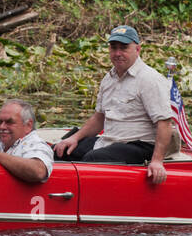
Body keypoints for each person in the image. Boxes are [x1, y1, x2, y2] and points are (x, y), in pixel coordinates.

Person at [52, 25, 173, 185]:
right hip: (109, 141)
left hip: (140, 146)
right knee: (59, 150)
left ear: (137, 49)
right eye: (114, 48)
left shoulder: (150, 79)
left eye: (124, 48)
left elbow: (164, 123)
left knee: (93, 160)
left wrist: (157, 161)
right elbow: (99, 118)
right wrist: (73, 138)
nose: (117, 53)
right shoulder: (109, 78)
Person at [0, 100, 54, 183]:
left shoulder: (36, 144)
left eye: (9, 122)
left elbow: (39, 171)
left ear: (28, 125)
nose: (2, 127)